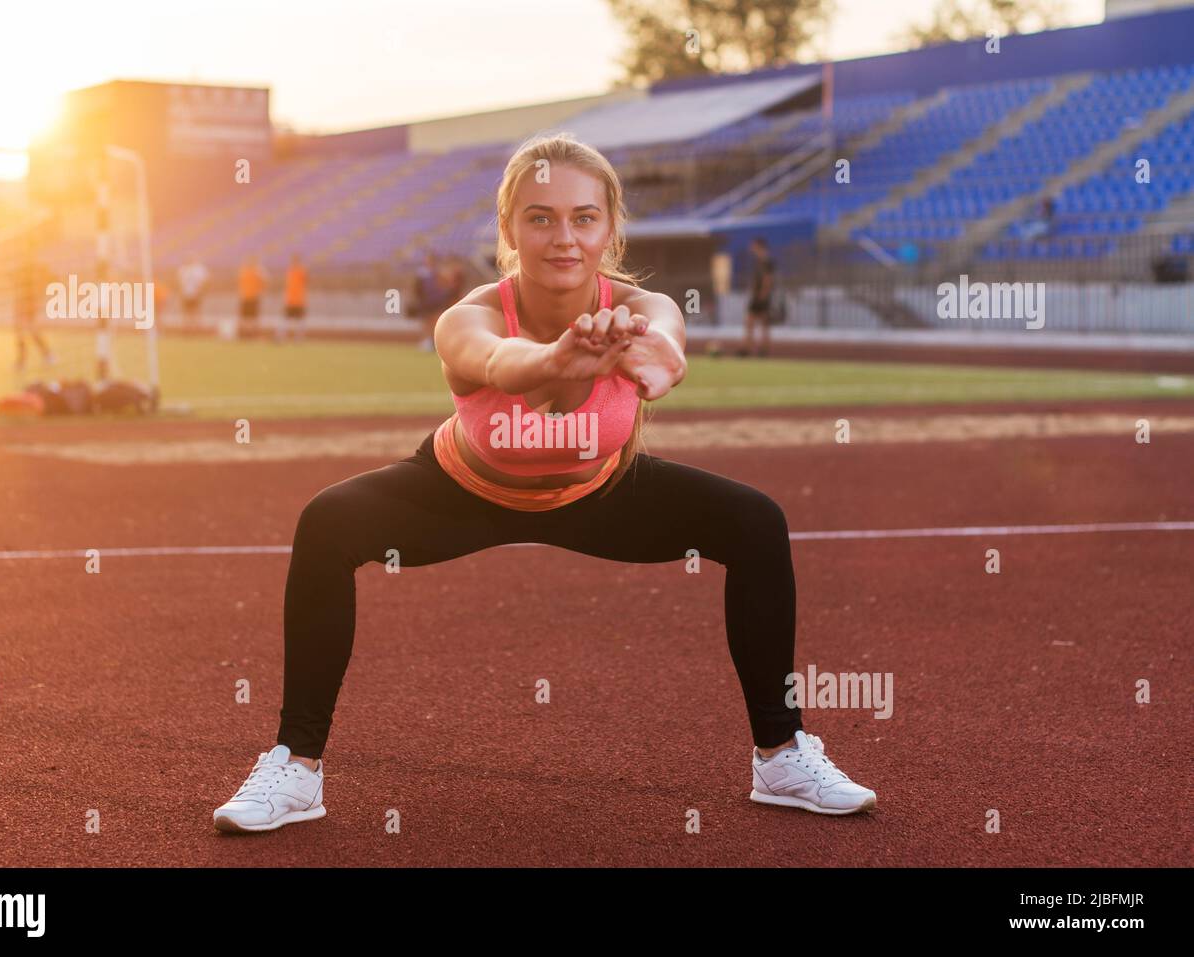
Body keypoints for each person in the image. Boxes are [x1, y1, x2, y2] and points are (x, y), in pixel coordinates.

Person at [212, 133, 877, 833]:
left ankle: (780, 755)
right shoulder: (467, 316)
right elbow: (498, 361)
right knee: (328, 520)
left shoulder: (638, 309)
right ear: (508, 229)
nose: (565, 237)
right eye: (540, 217)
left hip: (599, 496)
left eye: (584, 217)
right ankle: (296, 766)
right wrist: (559, 358)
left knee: (756, 520)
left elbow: (667, 340)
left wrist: (662, 359)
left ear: (611, 229)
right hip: (461, 493)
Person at [12, 242, 57, 371]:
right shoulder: (20, 270)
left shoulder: (36, 269)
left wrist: (39, 299)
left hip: (30, 302)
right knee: (20, 331)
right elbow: (15, 284)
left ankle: (47, 354)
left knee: (31, 330)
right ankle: (22, 361)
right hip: (20, 302)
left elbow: (48, 280)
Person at [738, 237, 775, 357]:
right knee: (757, 323)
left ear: (759, 246)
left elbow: (767, 279)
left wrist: (762, 295)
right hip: (758, 296)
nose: (751, 248)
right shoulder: (759, 261)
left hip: (760, 297)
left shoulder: (766, 261)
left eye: (753, 246)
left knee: (755, 322)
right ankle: (754, 349)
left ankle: (750, 349)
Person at [237, 257, 267, 340]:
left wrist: (260, 292)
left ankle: (253, 334)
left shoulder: (259, 271)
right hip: (245, 297)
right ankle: (244, 334)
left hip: (254, 297)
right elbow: (241, 283)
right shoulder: (244, 271)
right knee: (245, 317)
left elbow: (265, 282)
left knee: (253, 317)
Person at [177, 254, 209, 332]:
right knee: (186, 312)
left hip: (196, 294)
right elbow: (179, 283)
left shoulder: (199, 269)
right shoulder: (183, 269)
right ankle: (187, 329)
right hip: (185, 294)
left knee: (196, 312)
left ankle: (196, 329)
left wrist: (200, 291)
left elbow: (204, 281)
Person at [281, 254, 308, 344]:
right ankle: (282, 337)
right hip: (290, 299)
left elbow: (305, 282)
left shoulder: (301, 271)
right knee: (286, 319)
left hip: (299, 300)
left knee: (299, 320)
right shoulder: (290, 271)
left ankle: (298, 338)